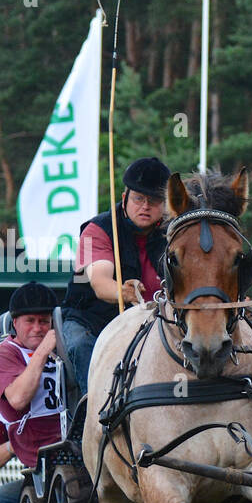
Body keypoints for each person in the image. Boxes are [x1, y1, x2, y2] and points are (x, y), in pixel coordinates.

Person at [60, 156, 171, 398]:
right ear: (124, 198)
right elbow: (101, 285)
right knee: (80, 346)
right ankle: (91, 415)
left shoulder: (173, 234)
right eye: (139, 199)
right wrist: (126, 292)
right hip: (92, 322)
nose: (145, 206)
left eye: (154, 200)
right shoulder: (97, 229)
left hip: (151, 324)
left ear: (165, 204)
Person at [0, 282, 67, 503]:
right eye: (30, 321)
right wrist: (14, 444)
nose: (38, 328)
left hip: (74, 454)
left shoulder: (67, 350)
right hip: (40, 469)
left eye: (44, 321)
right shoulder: (4, 361)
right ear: (15, 323)